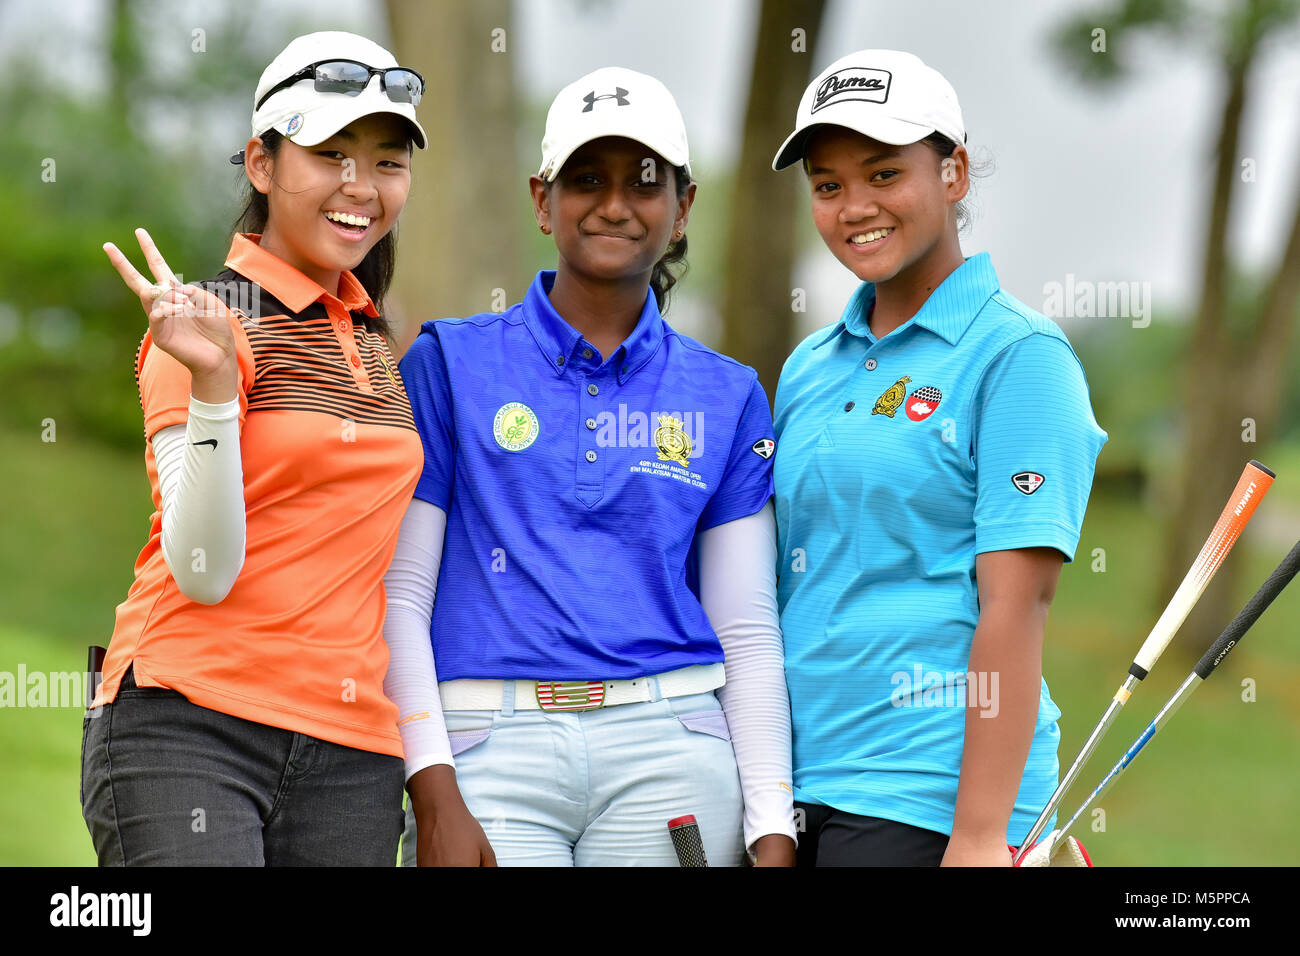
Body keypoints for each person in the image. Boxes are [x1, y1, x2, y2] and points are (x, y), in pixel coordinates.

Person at [383, 67, 796, 866]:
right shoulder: (448, 364)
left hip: (671, 745)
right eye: (585, 180)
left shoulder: (728, 393)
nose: (614, 204)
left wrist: (772, 827)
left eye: (644, 182)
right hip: (486, 749)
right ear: (543, 201)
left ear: (683, 208)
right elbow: (401, 596)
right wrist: (431, 788)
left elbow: (747, 631)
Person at [82, 31, 428, 866]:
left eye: (386, 162)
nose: (361, 186)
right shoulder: (206, 322)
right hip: (188, 722)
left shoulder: (378, 344)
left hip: (353, 750)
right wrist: (210, 384)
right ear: (262, 164)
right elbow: (202, 570)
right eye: (330, 154)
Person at [769, 50, 1108, 866]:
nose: (855, 206)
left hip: (927, 793)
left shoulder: (1020, 356)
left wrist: (981, 833)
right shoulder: (809, 365)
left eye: (884, 174)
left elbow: (1017, 607)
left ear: (953, 172)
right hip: (797, 785)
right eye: (828, 185)